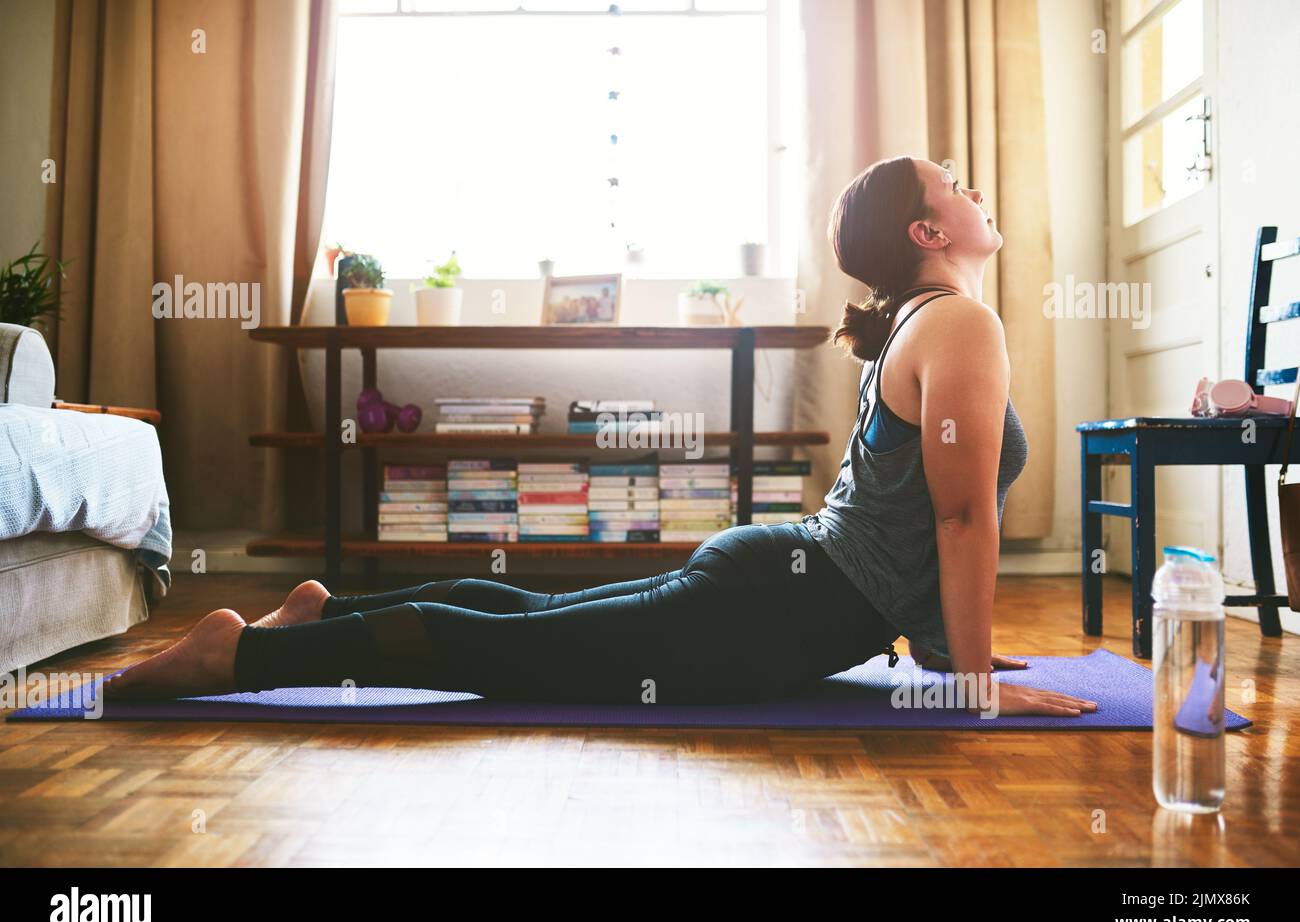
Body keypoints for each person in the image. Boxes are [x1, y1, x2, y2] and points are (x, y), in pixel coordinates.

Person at [105, 156, 1097, 718]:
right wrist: (969, 686)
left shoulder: (932, 323)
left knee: (533, 620)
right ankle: (237, 663)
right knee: (514, 655)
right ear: (928, 233)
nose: (976, 187)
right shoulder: (960, 324)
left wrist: (951, 655)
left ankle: (316, 615)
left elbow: (928, 517)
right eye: (956, 182)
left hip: (779, 581)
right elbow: (961, 517)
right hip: (778, 611)